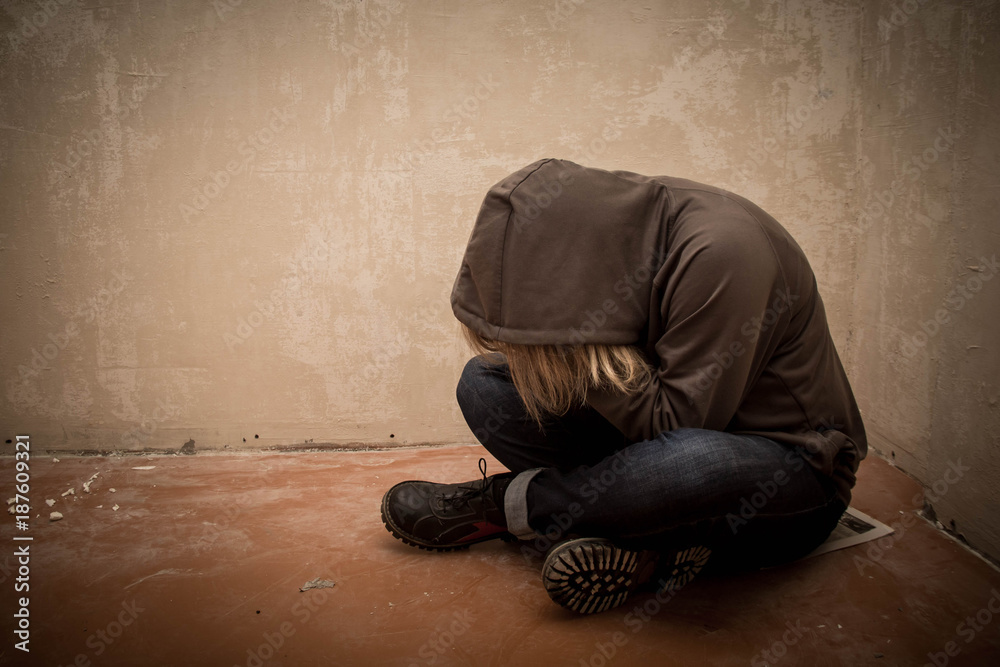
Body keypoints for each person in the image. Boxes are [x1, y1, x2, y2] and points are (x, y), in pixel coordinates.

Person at [380, 158, 866, 614]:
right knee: (484, 383)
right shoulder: (616, 234)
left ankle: (513, 504)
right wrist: (561, 344)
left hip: (788, 473)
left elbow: (678, 426)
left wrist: (571, 345)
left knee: (691, 461)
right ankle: (640, 535)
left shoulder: (724, 251)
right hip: (654, 443)